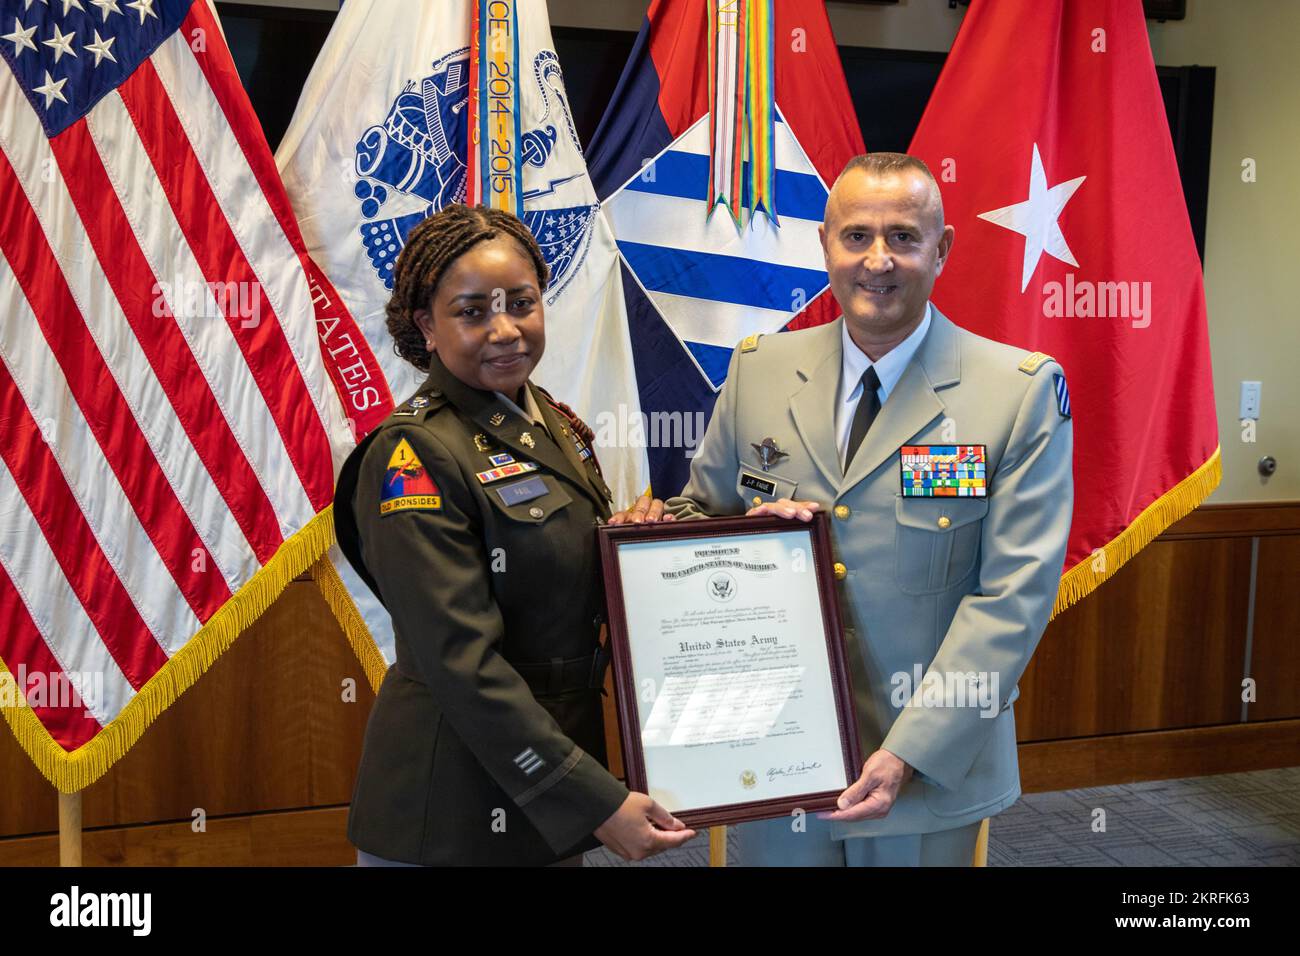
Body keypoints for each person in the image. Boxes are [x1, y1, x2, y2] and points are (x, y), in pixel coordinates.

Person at [659, 153, 1074, 866]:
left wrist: (912, 751)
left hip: (927, 771)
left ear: (941, 249)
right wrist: (680, 539)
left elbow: (1012, 598)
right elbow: (702, 517)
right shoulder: (758, 369)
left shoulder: (1017, 392)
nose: (877, 260)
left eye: (904, 238)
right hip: (775, 759)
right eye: (856, 236)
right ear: (825, 243)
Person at [333, 204, 696, 866]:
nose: (505, 331)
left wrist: (624, 548)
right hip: (455, 809)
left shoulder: (545, 421)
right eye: (473, 312)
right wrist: (591, 799)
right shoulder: (413, 453)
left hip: (548, 782)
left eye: (522, 304)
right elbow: (459, 663)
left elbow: (551, 566)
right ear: (428, 326)